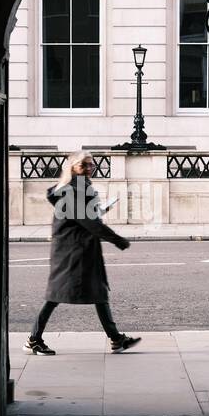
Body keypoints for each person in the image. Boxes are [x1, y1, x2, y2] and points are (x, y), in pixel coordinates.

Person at [24, 150, 141, 355]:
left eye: (91, 164)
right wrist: (118, 240)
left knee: (98, 292)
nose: (89, 168)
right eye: (84, 165)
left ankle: (116, 339)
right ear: (72, 168)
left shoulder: (78, 188)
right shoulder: (71, 191)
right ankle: (33, 339)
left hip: (81, 249)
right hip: (72, 252)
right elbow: (91, 224)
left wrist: (98, 211)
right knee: (56, 295)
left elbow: (84, 217)